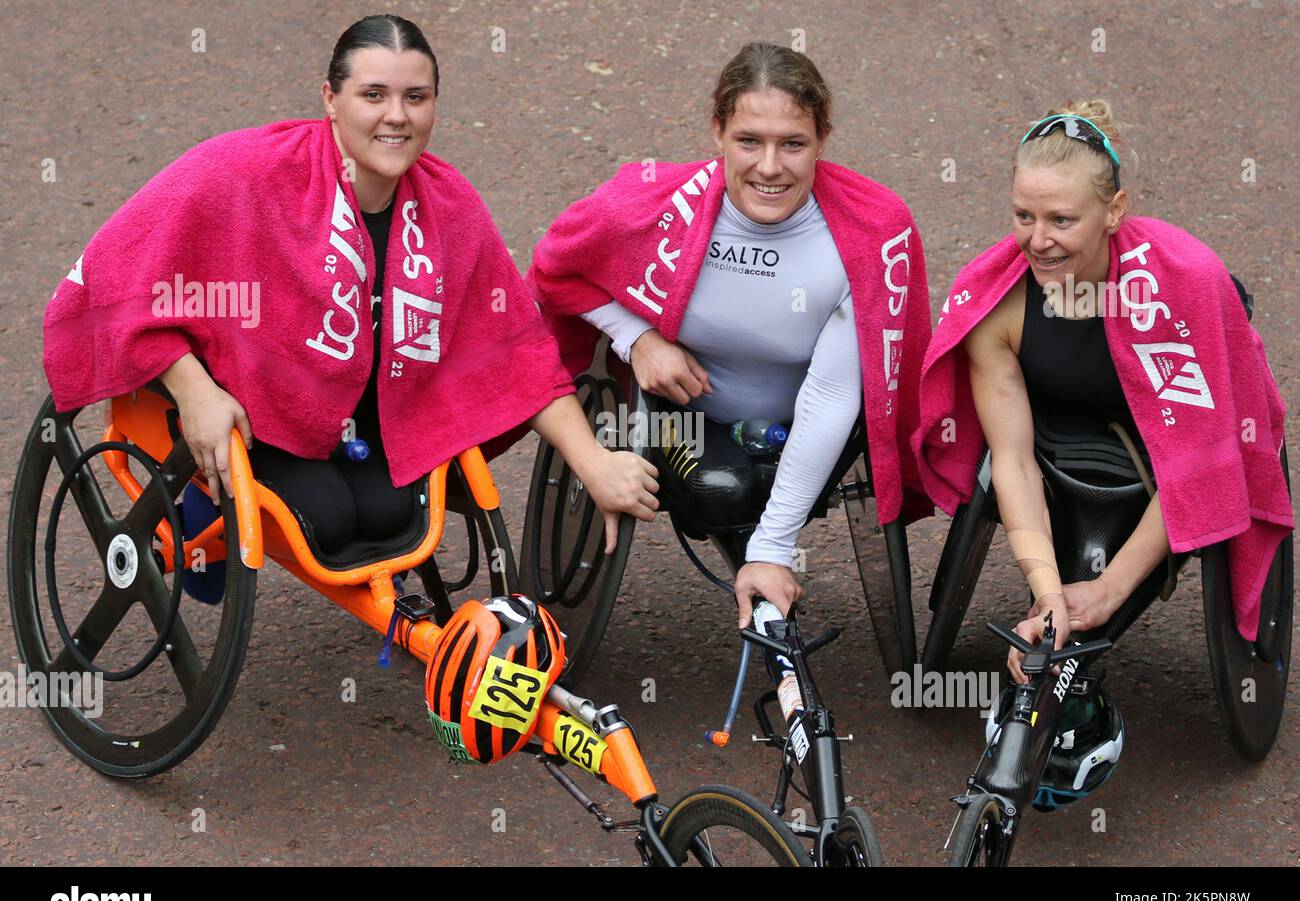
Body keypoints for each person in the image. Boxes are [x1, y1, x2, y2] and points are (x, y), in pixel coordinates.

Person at [43, 14, 658, 559]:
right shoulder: (240, 171)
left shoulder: (451, 205)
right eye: (374, 95)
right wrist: (195, 391)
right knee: (328, 523)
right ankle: (198, 521)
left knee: (396, 515)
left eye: (416, 97)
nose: (397, 116)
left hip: (366, 417)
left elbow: (515, 352)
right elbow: (118, 272)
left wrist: (593, 462)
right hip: (249, 405)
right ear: (330, 100)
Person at [530, 41, 932, 627]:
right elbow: (554, 269)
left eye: (793, 144)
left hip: (811, 419)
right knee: (722, 489)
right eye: (749, 141)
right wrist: (637, 338)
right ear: (717, 131)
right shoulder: (649, 205)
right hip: (685, 413)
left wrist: (772, 548)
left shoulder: (872, 233)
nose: (770, 167)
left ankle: (757, 546)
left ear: (823, 138)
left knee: (749, 495)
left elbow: (831, 397)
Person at [913, 100, 1292, 682]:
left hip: (1173, 444)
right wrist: (1048, 594)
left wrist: (1109, 591)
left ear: (1115, 211)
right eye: (1023, 216)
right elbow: (1011, 459)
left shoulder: (1185, 285)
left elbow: (1201, 463)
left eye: (1061, 220)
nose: (1038, 241)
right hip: (1060, 438)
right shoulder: (995, 307)